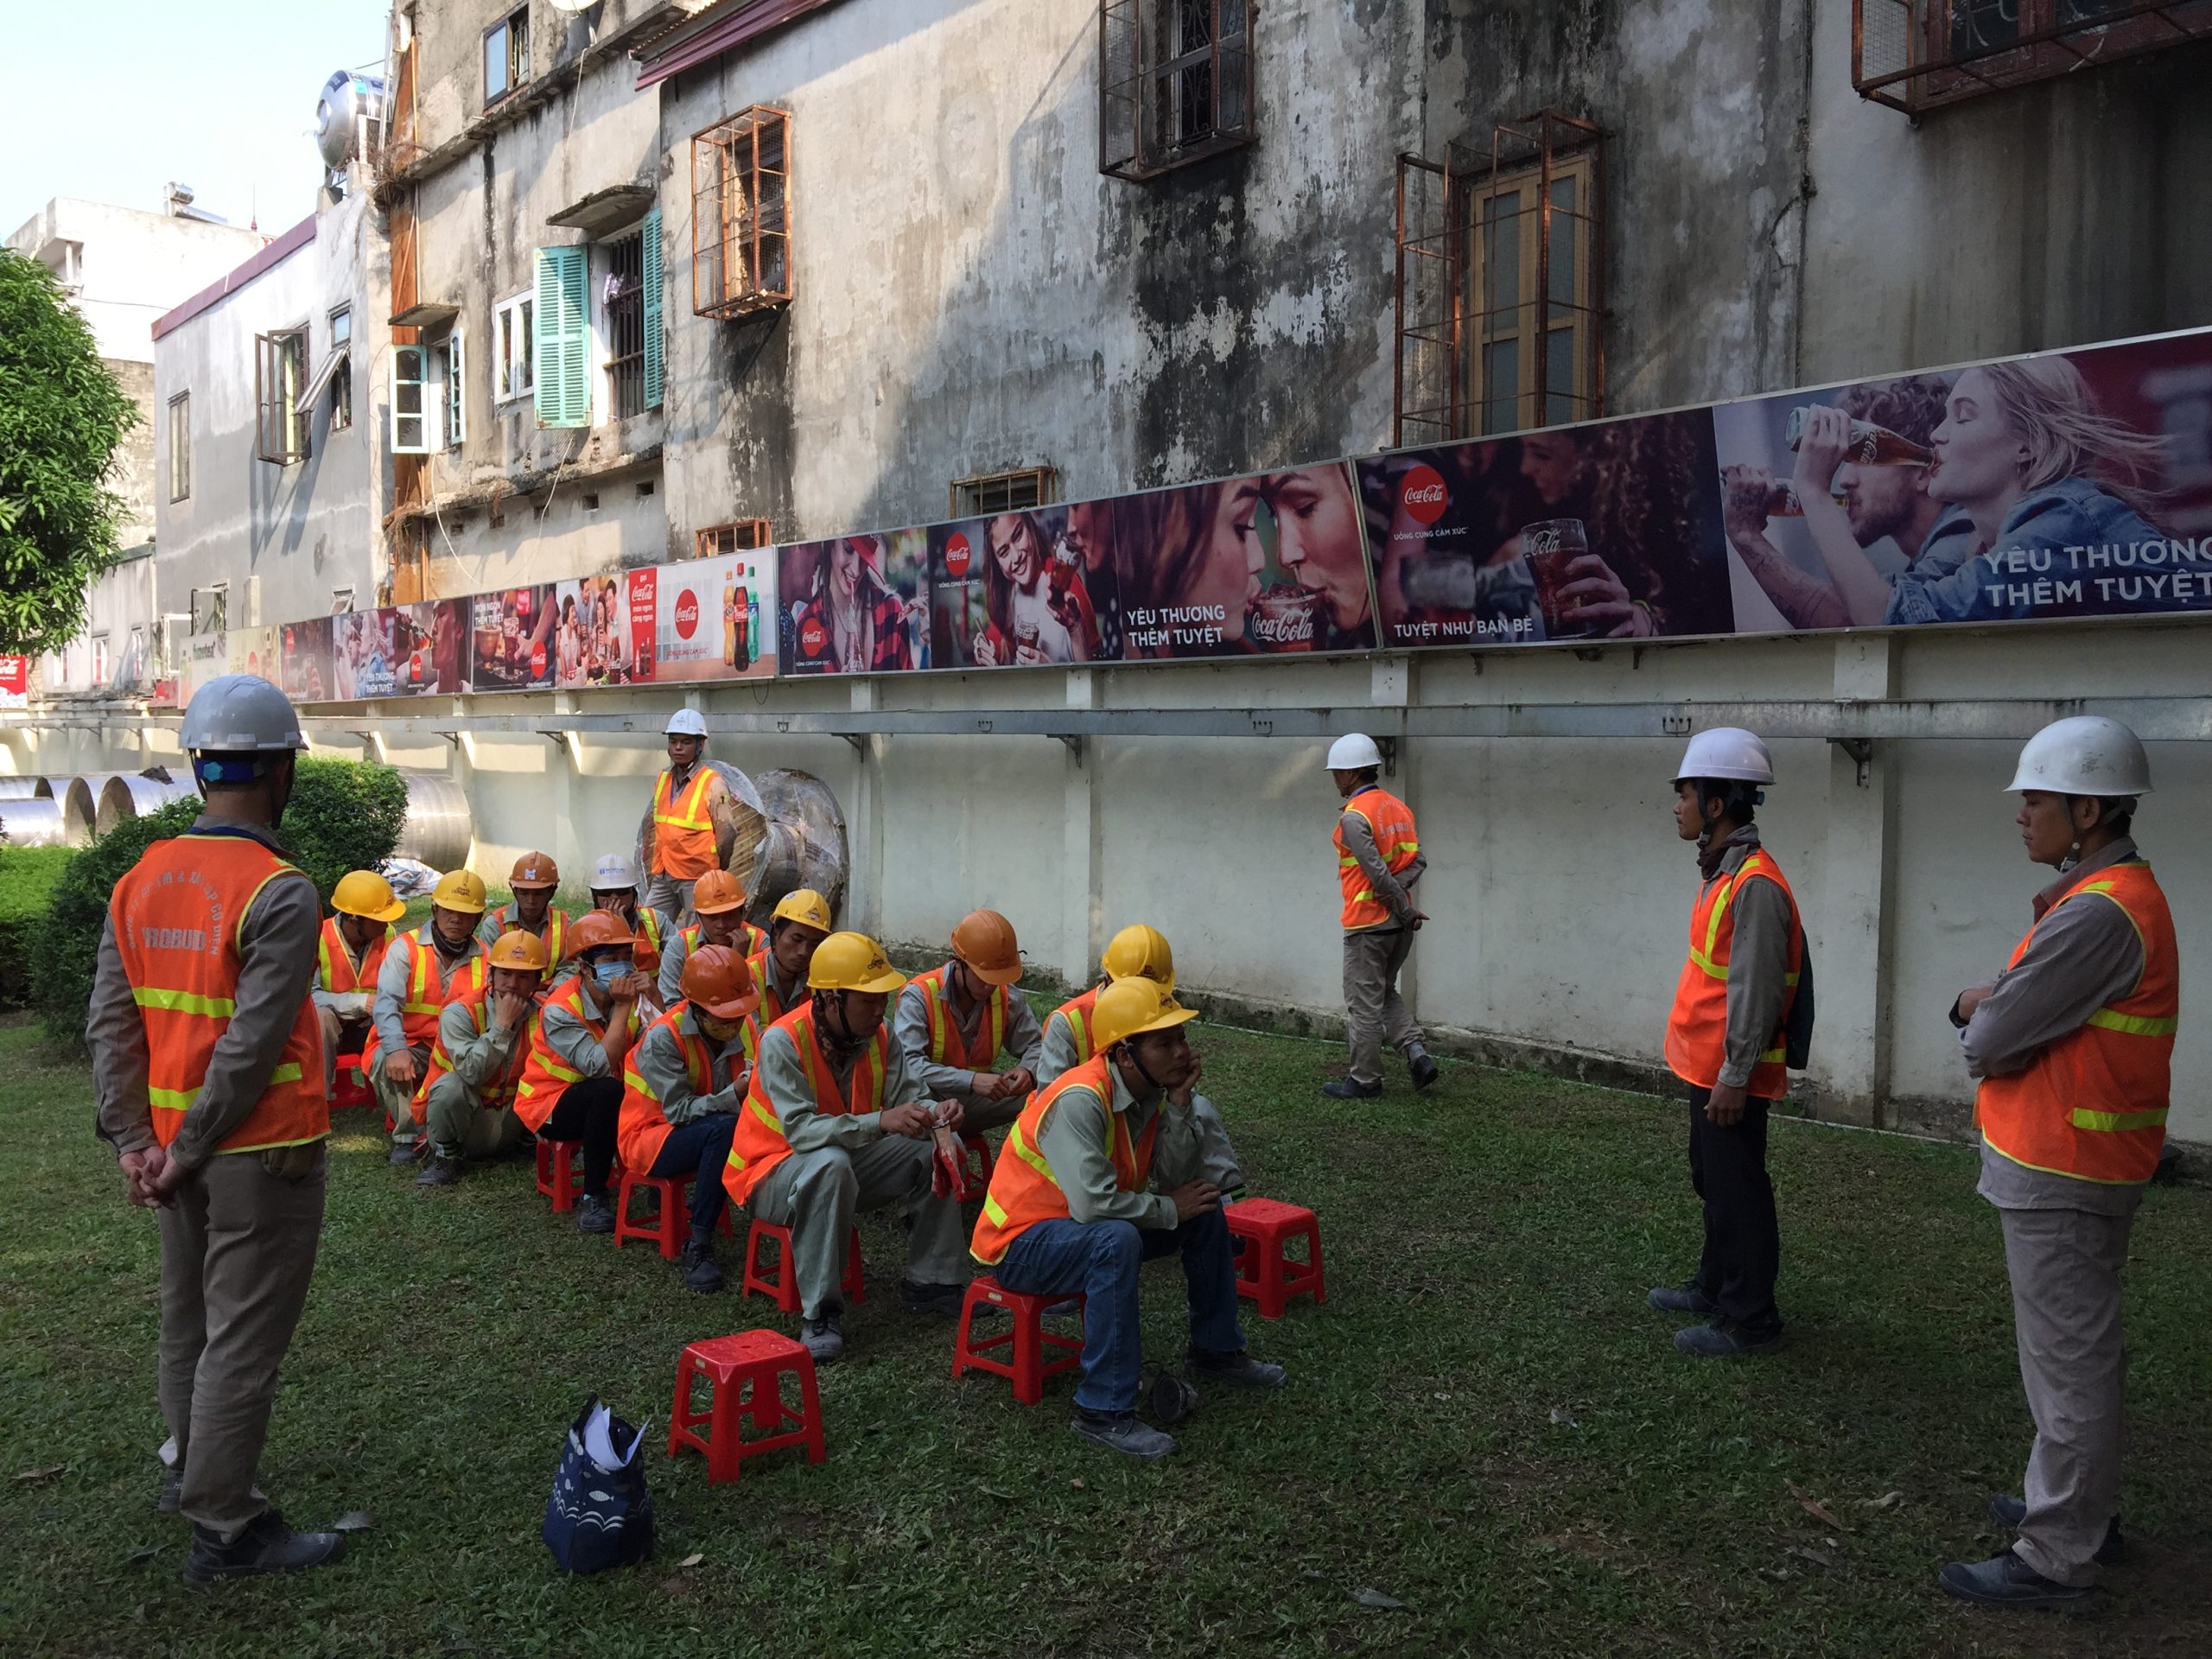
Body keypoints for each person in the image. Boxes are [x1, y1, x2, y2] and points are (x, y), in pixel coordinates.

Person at [88, 673, 348, 1581]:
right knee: (240, 1340)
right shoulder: (280, 892)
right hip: (259, 1157)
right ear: (281, 771)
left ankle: (191, 1471)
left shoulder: (139, 880)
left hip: (177, 1156)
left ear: (200, 767)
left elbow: (111, 1028)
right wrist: (180, 1148)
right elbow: (250, 1050)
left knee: (188, 1325)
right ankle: (227, 1527)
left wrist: (138, 1144)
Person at [1938, 716, 2175, 1611]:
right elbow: (2031, 1008)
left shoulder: (2097, 912)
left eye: (2033, 798)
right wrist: (1995, 1003)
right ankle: (2078, 1508)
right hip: (2076, 1162)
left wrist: (1976, 1009)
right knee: (2074, 1358)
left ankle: (2057, 1553)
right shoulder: (2106, 900)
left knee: (2069, 1364)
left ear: (2086, 809)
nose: (2019, 814)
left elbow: (1992, 1038)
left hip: (2064, 1168)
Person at [972, 977, 1284, 1459]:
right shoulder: (1080, 1098)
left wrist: (1180, 1105)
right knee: (1116, 1239)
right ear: (1123, 1053)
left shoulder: (1152, 1094)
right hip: (1022, 1245)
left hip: (1082, 1229)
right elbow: (1095, 1207)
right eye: (1165, 1042)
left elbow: (1177, 1179)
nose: (1182, 1051)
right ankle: (1102, 1409)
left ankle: (1216, 1350)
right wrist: (1166, 1208)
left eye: (1181, 1037)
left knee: (1203, 1208)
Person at [722, 931, 972, 1363]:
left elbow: (910, 1092)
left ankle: (932, 1281)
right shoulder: (782, 1040)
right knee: (831, 1165)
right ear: (831, 1000)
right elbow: (800, 1132)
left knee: (935, 1147)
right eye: (868, 1001)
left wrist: (936, 1113)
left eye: (882, 1000)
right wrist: (881, 1121)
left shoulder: (880, 1034)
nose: (880, 1010)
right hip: (769, 1174)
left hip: (841, 1159)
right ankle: (820, 1314)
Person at [1651, 728, 1804, 1358]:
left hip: (1728, 1076)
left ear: (1717, 804)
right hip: (1706, 1067)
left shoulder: (1755, 885)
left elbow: (1758, 989)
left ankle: (1752, 1319)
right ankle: (1716, 1285)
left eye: (1684, 793)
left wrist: (1736, 1076)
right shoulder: (1725, 872)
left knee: (1739, 1189)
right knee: (1713, 1180)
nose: (1677, 805)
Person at [1872, 359, 2188, 626]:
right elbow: (1893, 600)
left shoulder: (2064, 518)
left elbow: (1903, 615)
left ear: (2028, 445)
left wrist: (1820, 499)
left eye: (1963, 417)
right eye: (1944, 417)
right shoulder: (1985, 543)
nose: (1936, 434)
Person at [1722, 374, 1971, 630]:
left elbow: (1873, 620)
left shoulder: (1965, 536)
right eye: (1845, 462)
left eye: (1864, 458)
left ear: (1923, 469)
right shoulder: (1938, 548)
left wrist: (1747, 535)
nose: (1845, 480)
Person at [620, 944, 762, 1293]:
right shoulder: (663, 1038)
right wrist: (735, 1095)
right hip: (650, 1138)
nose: (733, 1022)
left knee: (732, 1128)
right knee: (724, 1128)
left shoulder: (744, 1026)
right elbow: (679, 1111)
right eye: (722, 1014)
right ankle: (698, 1244)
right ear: (696, 1008)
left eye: (738, 1012)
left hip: (709, 1127)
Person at [512, 909, 650, 1232]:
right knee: (607, 1090)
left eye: (624, 956)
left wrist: (653, 998)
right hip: (548, 1106)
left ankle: (651, 1173)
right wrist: (625, 1006)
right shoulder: (561, 1010)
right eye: (609, 958)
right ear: (584, 968)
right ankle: (593, 1197)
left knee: (641, 1087)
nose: (620, 966)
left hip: (601, 1100)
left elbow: (653, 1050)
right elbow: (598, 1065)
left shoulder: (629, 998)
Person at [1323, 734, 1436, 1099]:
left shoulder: (1355, 818)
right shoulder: (1397, 808)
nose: (1335, 778)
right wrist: (1404, 910)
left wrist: (1403, 908)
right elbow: (1418, 860)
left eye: (1338, 772)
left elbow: (1376, 875)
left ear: (1353, 772)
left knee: (1362, 1002)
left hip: (1368, 926)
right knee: (1384, 992)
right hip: (1397, 928)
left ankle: (1364, 1080)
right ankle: (1416, 1052)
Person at [371, 869, 490, 1165]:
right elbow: (386, 1003)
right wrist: (397, 1049)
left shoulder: (487, 956)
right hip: (414, 1043)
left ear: (478, 919)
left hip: (457, 1049)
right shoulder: (405, 949)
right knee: (387, 1058)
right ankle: (407, 1135)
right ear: (434, 909)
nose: (456, 919)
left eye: (466, 914)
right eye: (449, 911)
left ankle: (451, 1131)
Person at [411, 930, 546, 1185]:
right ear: (491, 975)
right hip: (465, 1122)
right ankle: (446, 1158)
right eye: (505, 974)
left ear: (537, 981)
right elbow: (471, 1073)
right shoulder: (459, 1013)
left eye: (523, 976)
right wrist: (502, 1027)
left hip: (512, 1119)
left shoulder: (545, 1013)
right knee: (450, 1086)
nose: (512, 984)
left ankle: (528, 1145)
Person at [893, 909, 1045, 1137]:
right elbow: (908, 1065)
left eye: (997, 978)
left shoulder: (1005, 995)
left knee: (1047, 1092)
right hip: (927, 1098)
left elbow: (1038, 1044)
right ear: (960, 963)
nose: (991, 986)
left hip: (975, 1099)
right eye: (984, 978)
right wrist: (972, 1081)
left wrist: (1028, 1071)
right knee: (940, 1127)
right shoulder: (918, 996)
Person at [643, 709, 760, 927]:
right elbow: (658, 824)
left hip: (696, 878)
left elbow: (727, 833)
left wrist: (716, 869)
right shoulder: (662, 780)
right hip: (664, 872)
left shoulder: (713, 783)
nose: (678, 747)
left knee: (695, 934)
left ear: (700, 745)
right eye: (673, 741)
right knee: (649, 926)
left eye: (686, 742)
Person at [1037, 924, 1178, 1088]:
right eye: (1133, 993)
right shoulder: (1066, 1024)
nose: (1144, 1001)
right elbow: (1051, 1100)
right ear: (1108, 979)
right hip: (1084, 1111)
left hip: (1141, 1109)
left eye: (1152, 992)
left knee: (1202, 1109)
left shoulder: (1163, 1010)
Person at [312, 869, 404, 1091]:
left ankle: (396, 1095)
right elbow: (309, 995)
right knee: (321, 1017)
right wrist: (362, 1002)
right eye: (379, 919)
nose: (386, 924)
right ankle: (318, 1098)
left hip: (374, 1025)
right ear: (354, 919)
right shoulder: (317, 938)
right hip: (333, 1028)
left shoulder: (389, 935)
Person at [970, 511, 1087, 666]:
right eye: (1004, 552)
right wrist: (982, 651)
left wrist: (1050, 671)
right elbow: (991, 650)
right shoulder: (1007, 597)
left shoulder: (1062, 577)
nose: (1016, 556)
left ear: (1030, 528)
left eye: (1018, 535)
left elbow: (1095, 661)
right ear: (997, 563)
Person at [658, 868, 766, 1007]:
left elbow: (766, 1001)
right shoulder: (679, 947)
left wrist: (739, 962)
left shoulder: (760, 943)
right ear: (698, 917)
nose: (721, 925)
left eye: (729, 916)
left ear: (743, 913)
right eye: (713, 918)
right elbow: (671, 1005)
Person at [752, 887, 834, 1026]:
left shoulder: (823, 982)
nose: (804, 952)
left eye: (814, 944)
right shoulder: (746, 978)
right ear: (776, 933)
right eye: (797, 939)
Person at [476, 851, 570, 965]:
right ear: (515, 891)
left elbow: (569, 969)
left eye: (538, 893)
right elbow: (487, 969)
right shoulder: (495, 925)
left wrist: (556, 984)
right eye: (524, 893)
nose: (531, 901)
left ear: (551, 892)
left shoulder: (565, 925)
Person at [588, 851, 664, 991]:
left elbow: (676, 962)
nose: (614, 898)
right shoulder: (585, 929)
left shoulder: (656, 920)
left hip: (651, 996)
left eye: (622, 891)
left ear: (633, 893)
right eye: (606, 893)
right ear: (595, 896)